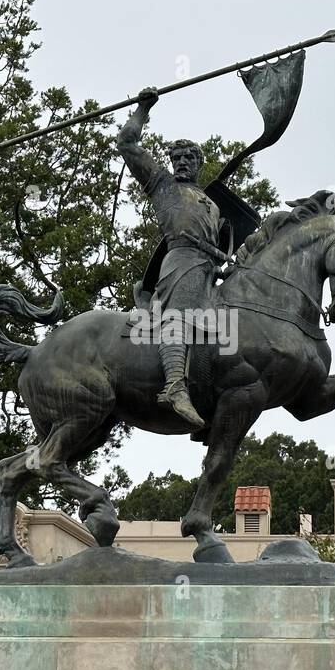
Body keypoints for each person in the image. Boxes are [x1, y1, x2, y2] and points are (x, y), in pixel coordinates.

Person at [116, 86, 223, 429]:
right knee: (178, 319)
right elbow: (127, 145)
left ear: (198, 164)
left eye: (188, 159)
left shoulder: (211, 204)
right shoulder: (163, 185)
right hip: (181, 264)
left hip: (209, 271)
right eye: (176, 158)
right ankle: (175, 385)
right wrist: (143, 109)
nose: (180, 163)